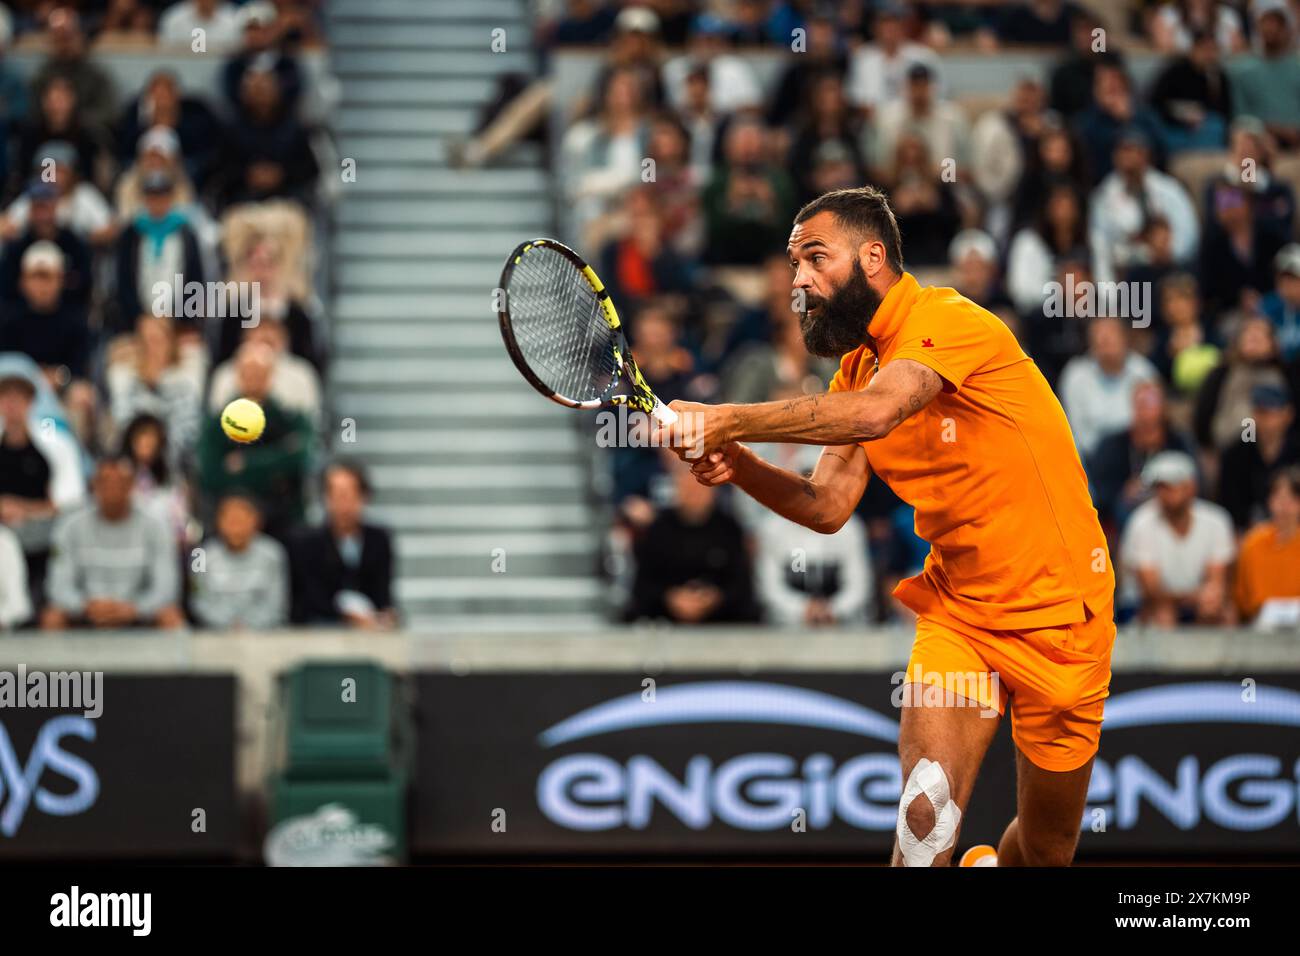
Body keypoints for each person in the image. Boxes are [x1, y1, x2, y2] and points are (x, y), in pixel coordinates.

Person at [655, 186, 1117, 867]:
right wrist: (740, 463)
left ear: (873, 257)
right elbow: (827, 504)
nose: (798, 280)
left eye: (815, 258)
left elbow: (878, 413)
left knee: (1048, 851)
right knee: (925, 815)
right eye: (792, 263)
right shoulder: (856, 369)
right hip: (961, 616)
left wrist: (725, 417)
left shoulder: (946, 318)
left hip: (1063, 618)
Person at [41, 454, 184, 630]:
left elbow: (166, 589)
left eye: (120, 482)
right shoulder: (70, 527)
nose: (112, 489)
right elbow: (58, 587)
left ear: (131, 485)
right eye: (105, 482)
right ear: (94, 485)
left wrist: (134, 608)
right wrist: (86, 606)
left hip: (137, 612)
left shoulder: (156, 527)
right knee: (52, 617)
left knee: (171, 617)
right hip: (86, 612)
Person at [624, 452, 758, 624]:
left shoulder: (730, 529)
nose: (694, 493)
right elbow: (643, 585)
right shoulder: (658, 530)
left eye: (700, 487)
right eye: (687, 486)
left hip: (721, 621)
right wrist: (671, 598)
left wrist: (715, 598)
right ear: (676, 489)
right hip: (665, 622)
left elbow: (742, 585)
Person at [1118, 450, 1235, 626]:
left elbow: (1216, 581)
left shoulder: (1216, 521)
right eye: (1159, 487)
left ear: (1191, 487)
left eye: (1170, 486)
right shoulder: (1141, 522)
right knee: (1163, 614)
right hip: (1143, 606)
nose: (1163, 494)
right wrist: (1193, 597)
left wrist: (1206, 597)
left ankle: (1213, 654)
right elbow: (1151, 590)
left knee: (1220, 611)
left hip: (1194, 604)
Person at [288, 461, 396, 628]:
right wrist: (347, 616)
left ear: (364, 496)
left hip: (370, 627)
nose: (343, 503)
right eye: (336, 495)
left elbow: (383, 592)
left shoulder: (379, 539)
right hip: (320, 626)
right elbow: (309, 598)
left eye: (349, 494)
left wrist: (384, 614)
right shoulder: (305, 542)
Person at [1057, 316, 1159, 459]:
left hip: (1138, 456)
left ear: (1125, 337)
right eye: (1098, 334)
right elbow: (1076, 432)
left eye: (1111, 333)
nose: (1104, 339)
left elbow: (1152, 423)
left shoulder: (1143, 372)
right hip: (1090, 460)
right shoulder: (1075, 376)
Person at [190, 493, 288, 628]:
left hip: (264, 632)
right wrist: (228, 624)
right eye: (229, 520)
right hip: (214, 632)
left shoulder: (274, 553)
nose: (235, 527)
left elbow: (277, 604)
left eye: (241, 520)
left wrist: (249, 625)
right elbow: (198, 601)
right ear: (218, 521)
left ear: (256, 521)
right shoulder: (199, 555)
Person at [1217, 383, 1300, 530]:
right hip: (1248, 532)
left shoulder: (1296, 450)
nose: (1263, 419)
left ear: (1287, 414)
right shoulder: (1237, 453)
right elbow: (1229, 501)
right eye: (1259, 411)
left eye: (1269, 412)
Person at [1234, 466, 1300, 626]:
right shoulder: (1253, 542)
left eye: (1291, 499)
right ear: (1269, 501)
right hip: (1260, 622)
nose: (1284, 507)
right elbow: (1243, 598)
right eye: (1278, 498)